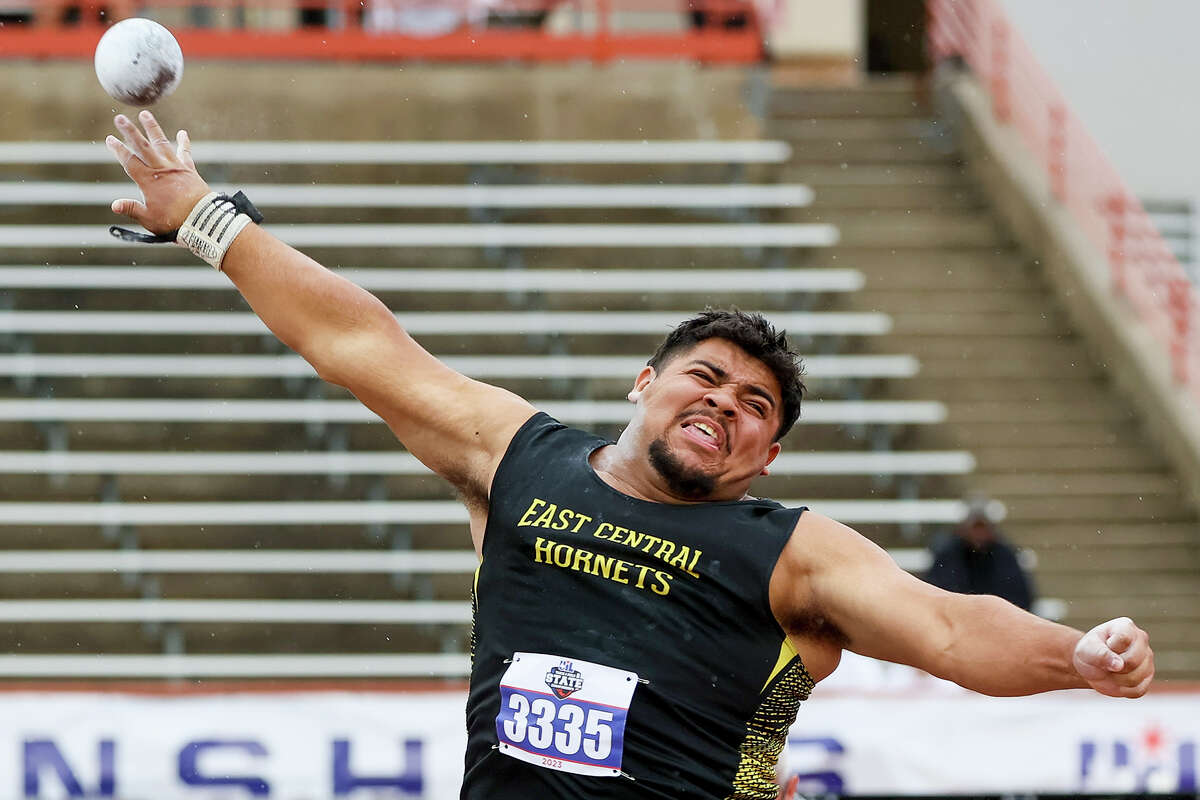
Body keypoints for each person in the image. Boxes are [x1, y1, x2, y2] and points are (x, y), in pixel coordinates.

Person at [103, 111, 1154, 800]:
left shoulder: (791, 553)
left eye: (755, 406)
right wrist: (207, 220)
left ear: (765, 458)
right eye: (705, 376)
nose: (724, 403)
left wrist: (1077, 656)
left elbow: (952, 628)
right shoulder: (519, 458)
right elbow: (362, 343)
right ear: (643, 383)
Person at [925, 495, 1035, 611]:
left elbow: (1020, 597)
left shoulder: (1005, 557)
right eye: (975, 528)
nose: (979, 534)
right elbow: (938, 594)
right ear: (964, 529)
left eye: (982, 527)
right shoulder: (948, 556)